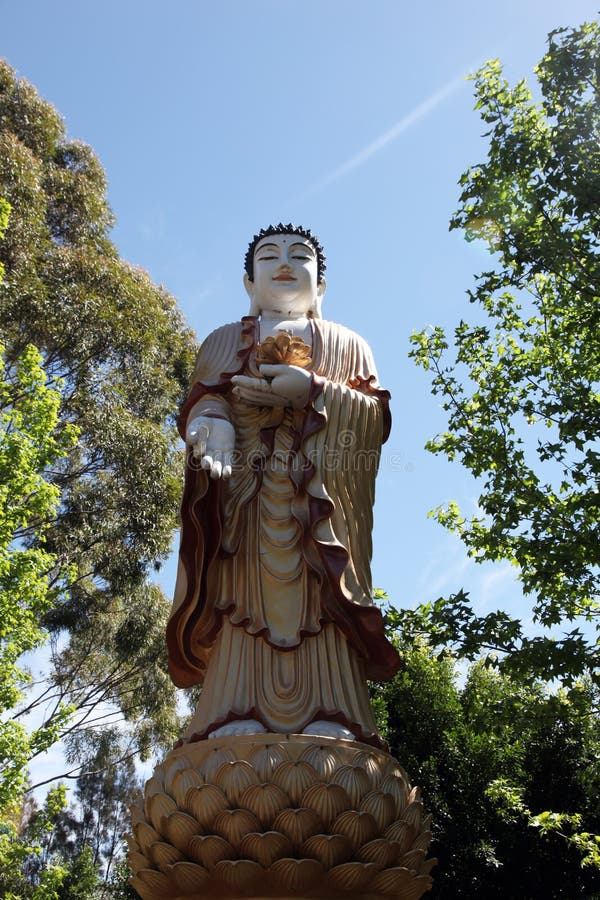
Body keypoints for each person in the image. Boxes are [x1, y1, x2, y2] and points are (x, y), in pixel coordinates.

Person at [167, 224, 400, 749]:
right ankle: (230, 710)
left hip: (319, 503)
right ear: (249, 284)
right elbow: (204, 399)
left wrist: (312, 390)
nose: (286, 264)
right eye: (270, 256)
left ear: (322, 287)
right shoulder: (223, 340)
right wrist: (212, 422)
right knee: (238, 596)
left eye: (301, 256)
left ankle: (334, 710)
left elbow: (372, 418)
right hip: (243, 503)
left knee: (322, 592)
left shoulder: (346, 343)